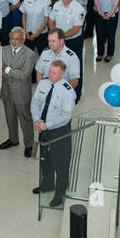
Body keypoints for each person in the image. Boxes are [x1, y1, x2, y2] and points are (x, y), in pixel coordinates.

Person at [31, 61, 76, 208]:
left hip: (59, 131)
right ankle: (48, 184)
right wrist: (37, 120)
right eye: (50, 71)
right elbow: (35, 102)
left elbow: (65, 116)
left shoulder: (68, 91)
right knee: (45, 159)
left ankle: (60, 194)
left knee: (60, 163)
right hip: (43, 128)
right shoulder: (44, 83)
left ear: (62, 74)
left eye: (54, 73)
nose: (50, 74)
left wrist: (46, 125)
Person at [0, 25, 36, 157]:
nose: (14, 42)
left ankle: (29, 144)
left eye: (17, 39)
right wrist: (16, 71)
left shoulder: (30, 54)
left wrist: (6, 69)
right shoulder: (3, 50)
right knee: (10, 118)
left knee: (25, 119)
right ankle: (13, 139)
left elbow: (25, 76)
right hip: (7, 91)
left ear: (23, 40)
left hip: (21, 93)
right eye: (12, 39)